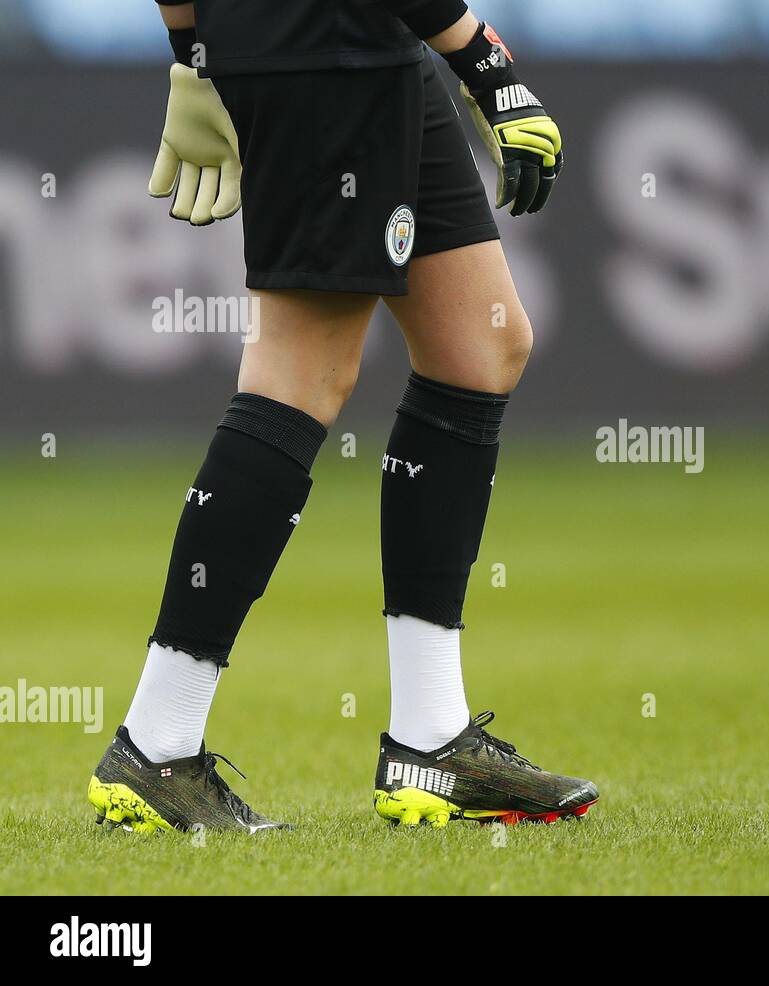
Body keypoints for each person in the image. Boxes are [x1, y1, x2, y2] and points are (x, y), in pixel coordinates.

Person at [87, 0, 597, 833]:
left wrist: (194, 48)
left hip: (361, 43)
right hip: (327, 44)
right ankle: (158, 742)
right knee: (300, 369)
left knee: (479, 344)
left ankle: (431, 738)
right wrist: (484, 59)